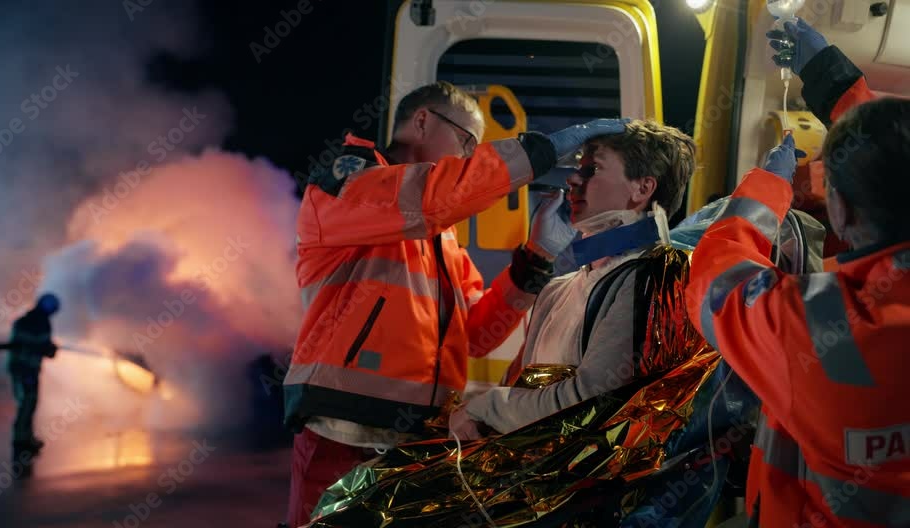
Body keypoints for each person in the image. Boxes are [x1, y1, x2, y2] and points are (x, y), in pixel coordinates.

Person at [283, 80, 627, 526]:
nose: (469, 155)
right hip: (343, 431)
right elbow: (429, 197)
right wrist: (537, 152)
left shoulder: (441, 235)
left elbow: (477, 335)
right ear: (422, 120)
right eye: (466, 140)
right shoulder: (349, 179)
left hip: (417, 439)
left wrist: (536, 257)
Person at [686, 21, 909, 527]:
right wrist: (833, 80)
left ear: (839, 211)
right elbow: (897, 164)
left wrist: (767, 187)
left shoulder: (825, 326)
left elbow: (713, 282)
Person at [448, 120, 697, 439]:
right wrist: (539, 253)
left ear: (642, 189)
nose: (573, 179)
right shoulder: (556, 291)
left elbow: (590, 403)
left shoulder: (648, 280)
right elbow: (520, 391)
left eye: (592, 170)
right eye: (579, 168)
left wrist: (487, 407)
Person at [8, 293, 60, 453]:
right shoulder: (39, 324)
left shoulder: (25, 321)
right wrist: (48, 349)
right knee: (27, 403)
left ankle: (26, 437)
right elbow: (37, 347)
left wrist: (48, 349)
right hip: (26, 370)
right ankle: (21, 440)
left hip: (24, 369)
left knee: (28, 403)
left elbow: (40, 347)